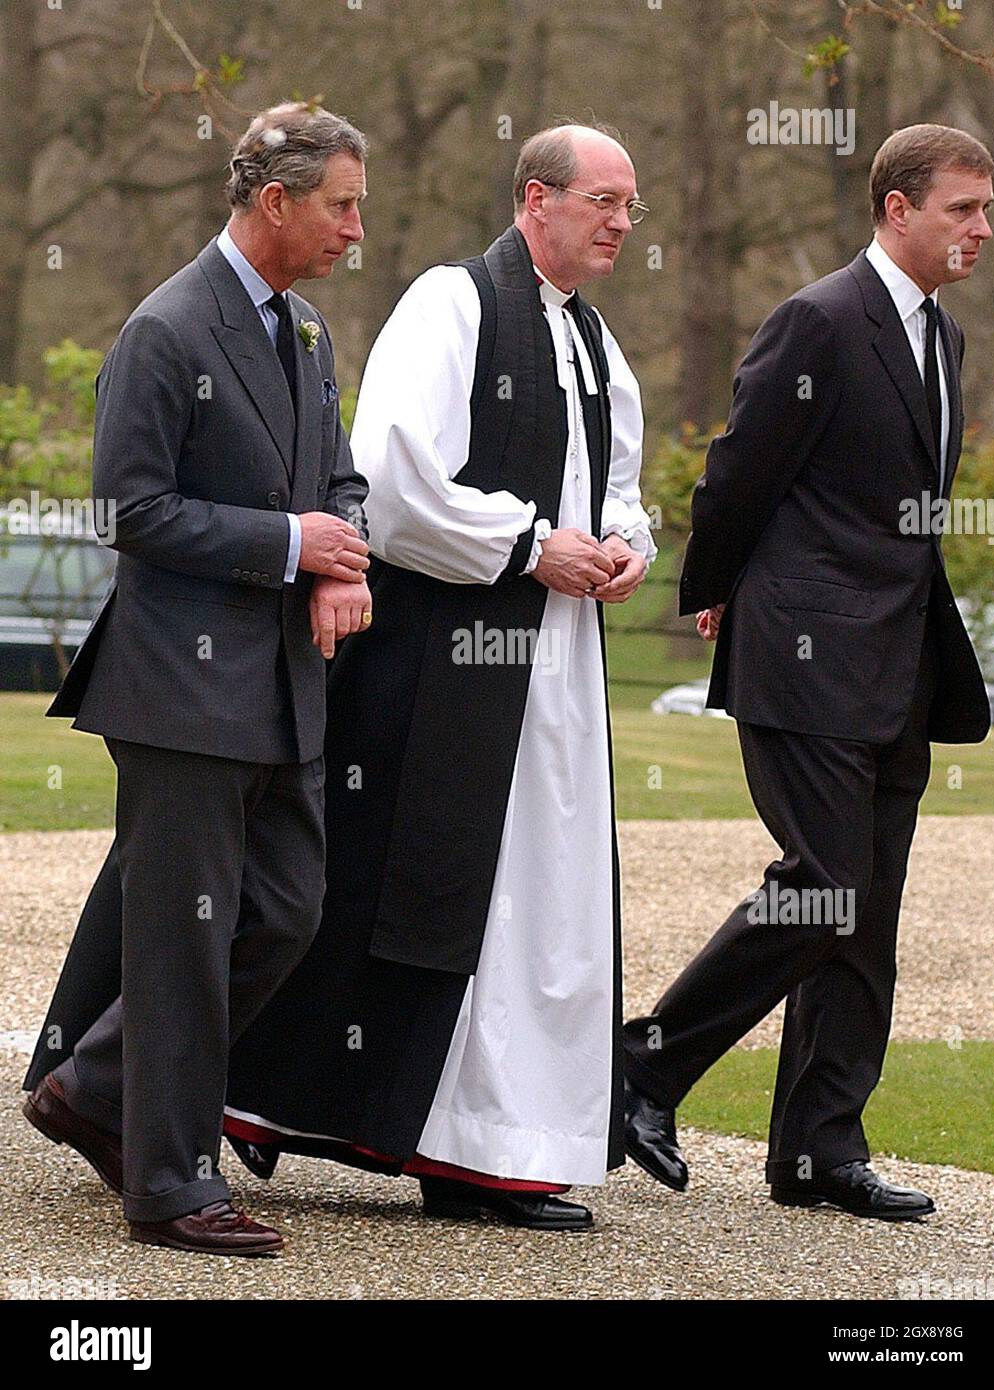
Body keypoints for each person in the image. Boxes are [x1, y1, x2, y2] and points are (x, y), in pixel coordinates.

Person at [219, 122, 656, 1231]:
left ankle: (494, 1144)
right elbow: (397, 479)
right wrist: (525, 545)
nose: (617, 223)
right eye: (600, 200)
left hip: (555, 672)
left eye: (628, 208)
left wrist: (619, 545)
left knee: (540, 906)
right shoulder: (450, 304)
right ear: (533, 198)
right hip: (444, 660)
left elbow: (615, 487)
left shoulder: (599, 350)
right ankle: (274, 1101)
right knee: (411, 890)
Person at [623, 124, 994, 1220]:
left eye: (983, 209)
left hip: (901, 662)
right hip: (803, 650)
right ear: (895, 207)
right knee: (824, 885)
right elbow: (738, 471)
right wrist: (710, 586)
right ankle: (643, 1064)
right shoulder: (820, 319)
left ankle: (817, 1148)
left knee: (862, 911)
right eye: (960, 208)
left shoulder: (947, 341)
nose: (979, 228)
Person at [22, 103, 371, 1257]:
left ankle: (92, 1087)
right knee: (185, 935)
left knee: (283, 911)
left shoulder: (309, 331)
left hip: (283, 688)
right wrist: (289, 546)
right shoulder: (165, 329)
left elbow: (341, 478)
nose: (354, 229)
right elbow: (129, 509)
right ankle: (170, 1184)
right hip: (180, 690)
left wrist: (335, 561)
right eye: (340, 205)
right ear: (275, 201)